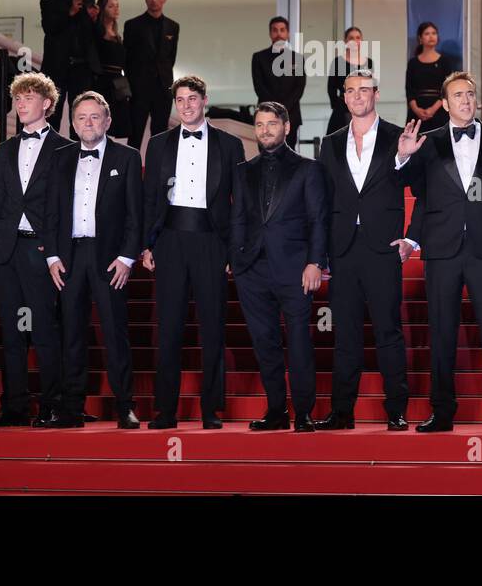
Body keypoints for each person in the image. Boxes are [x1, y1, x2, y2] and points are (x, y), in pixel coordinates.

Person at [396, 71, 482, 433]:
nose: (465, 101)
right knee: (441, 332)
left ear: (476, 99)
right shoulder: (428, 141)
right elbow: (417, 193)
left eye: (470, 94)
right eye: (457, 96)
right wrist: (403, 158)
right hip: (442, 251)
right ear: (446, 102)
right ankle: (442, 411)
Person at [141, 76, 244, 430]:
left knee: (212, 327)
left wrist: (233, 249)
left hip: (211, 241)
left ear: (205, 101)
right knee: (168, 327)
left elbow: (239, 205)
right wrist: (147, 244)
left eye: (192, 99)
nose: (186, 105)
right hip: (169, 238)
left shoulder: (230, 145)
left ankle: (211, 410)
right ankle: (165, 410)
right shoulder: (158, 144)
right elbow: (150, 199)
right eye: (180, 100)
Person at [314, 69, 413, 432]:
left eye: (364, 90)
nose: (357, 95)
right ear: (343, 96)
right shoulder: (331, 142)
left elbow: (416, 183)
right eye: (351, 90)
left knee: (389, 331)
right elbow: (323, 202)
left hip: (382, 246)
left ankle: (396, 411)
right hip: (342, 249)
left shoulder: (396, 137)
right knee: (345, 334)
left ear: (376, 93)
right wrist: (321, 253)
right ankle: (341, 411)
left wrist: (404, 158)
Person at [42, 91, 142, 429]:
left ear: (108, 121)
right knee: (71, 333)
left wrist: (128, 257)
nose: (88, 122)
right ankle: (71, 408)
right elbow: (50, 210)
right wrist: (52, 255)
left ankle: (124, 405)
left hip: (109, 258)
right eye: (81, 117)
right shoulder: (59, 157)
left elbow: (134, 214)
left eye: (95, 116)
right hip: (69, 257)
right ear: (72, 123)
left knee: (115, 332)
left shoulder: (127, 157)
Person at [229, 101, 329, 432]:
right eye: (259, 125)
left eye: (272, 124)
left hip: (295, 269)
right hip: (252, 271)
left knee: (299, 341)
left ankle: (303, 412)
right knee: (265, 342)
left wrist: (315, 262)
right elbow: (238, 219)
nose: (265, 130)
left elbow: (318, 220)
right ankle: (276, 411)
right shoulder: (243, 171)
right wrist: (236, 260)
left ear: (286, 127)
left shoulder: (308, 168)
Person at [0, 72, 71, 427]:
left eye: (28, 98)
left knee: (45, 330)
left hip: (43, 252)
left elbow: (63, 205)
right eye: (17, 99)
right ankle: (14, 405)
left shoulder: (65, 148)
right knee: (12, 331)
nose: (20, 104)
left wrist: (55, 252)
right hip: (7, 251)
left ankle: (52, 404)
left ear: (46, 104)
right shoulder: (6, 149)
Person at [39, 0, 100, 137]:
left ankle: (79, 156)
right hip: (57, 67)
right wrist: (70, 12)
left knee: (81, 115)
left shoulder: (86, 5)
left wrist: (94, 19)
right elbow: (50, 28)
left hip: (81, 68)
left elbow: (95, 38)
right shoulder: (49, 3)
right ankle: (51, 156)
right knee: (52, 115)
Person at [123, 0, 180, 148]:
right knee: (135, 132)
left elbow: (170, 57)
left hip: (163, 87)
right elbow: (128, 58)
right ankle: (131, 171)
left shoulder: (173, 26)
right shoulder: (133, 25)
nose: (153, 0)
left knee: (161, 133)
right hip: (139, 87)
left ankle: (158, 171)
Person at [251, 17, 307, 148]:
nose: (279, 34)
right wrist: (274, 110)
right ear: (270, 33)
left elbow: (299, 88)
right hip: (265, 115)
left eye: (282, 30)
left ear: (287, 33)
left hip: (291, 115)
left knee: (289, 157)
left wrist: (282, 110)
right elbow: (259, 87)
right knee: (266, 156)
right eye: (275, 30)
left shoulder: (297, 58)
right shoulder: (259, 58)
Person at [92, 0, 131, 140]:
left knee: (118, 121)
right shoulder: (97, 31)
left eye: (117, 6)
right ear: (102, 9)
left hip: (118, 81)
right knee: (102, 118)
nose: (115, 9)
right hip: (103, 80)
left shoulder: (117, 35)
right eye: (111, 6)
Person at [405, 22, 454, 134]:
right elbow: (409, 89)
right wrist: (416, 109)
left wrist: (432, 109)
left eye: (434, 33)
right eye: (427, 33)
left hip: (439, 110)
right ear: (420, 38)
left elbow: (447, 89)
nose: (431, 36)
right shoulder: (413, 63)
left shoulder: (444, 62)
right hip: (416, 111)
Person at [325, 26, 373, 136]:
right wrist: (340, 105)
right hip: (342, 110)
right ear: (346, 41)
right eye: (351, 38)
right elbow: (331, 88)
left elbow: (370, 87)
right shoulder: (337, 62)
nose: (355, 41)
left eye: (358, 38)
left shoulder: (368, 62)